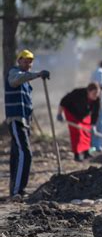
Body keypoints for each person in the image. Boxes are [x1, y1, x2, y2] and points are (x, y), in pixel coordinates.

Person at [4, 49, 50, 199]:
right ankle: (18, 191)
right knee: (26, 153)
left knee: (16, 155)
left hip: (24, 122)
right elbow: (15, 81)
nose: (28, 64)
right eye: (25, 61)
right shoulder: (14, 73)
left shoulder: (26, 83)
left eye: (30, 61)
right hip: (16, 119)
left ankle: (15, 190)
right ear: (19, 61)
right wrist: (37, 75)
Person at [57, 83, 101, 161]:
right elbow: (63, 101)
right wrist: (59, 113)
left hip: (84, 115)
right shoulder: (78, 93)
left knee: (87, 132)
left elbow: (95, 113)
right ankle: (76, 155)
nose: (95, 96)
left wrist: (93, 126)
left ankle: (86, 153)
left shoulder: (96, 99)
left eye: (97, 94)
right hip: (71, 112)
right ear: (88, 91)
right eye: (94, 93)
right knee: (76, 133)